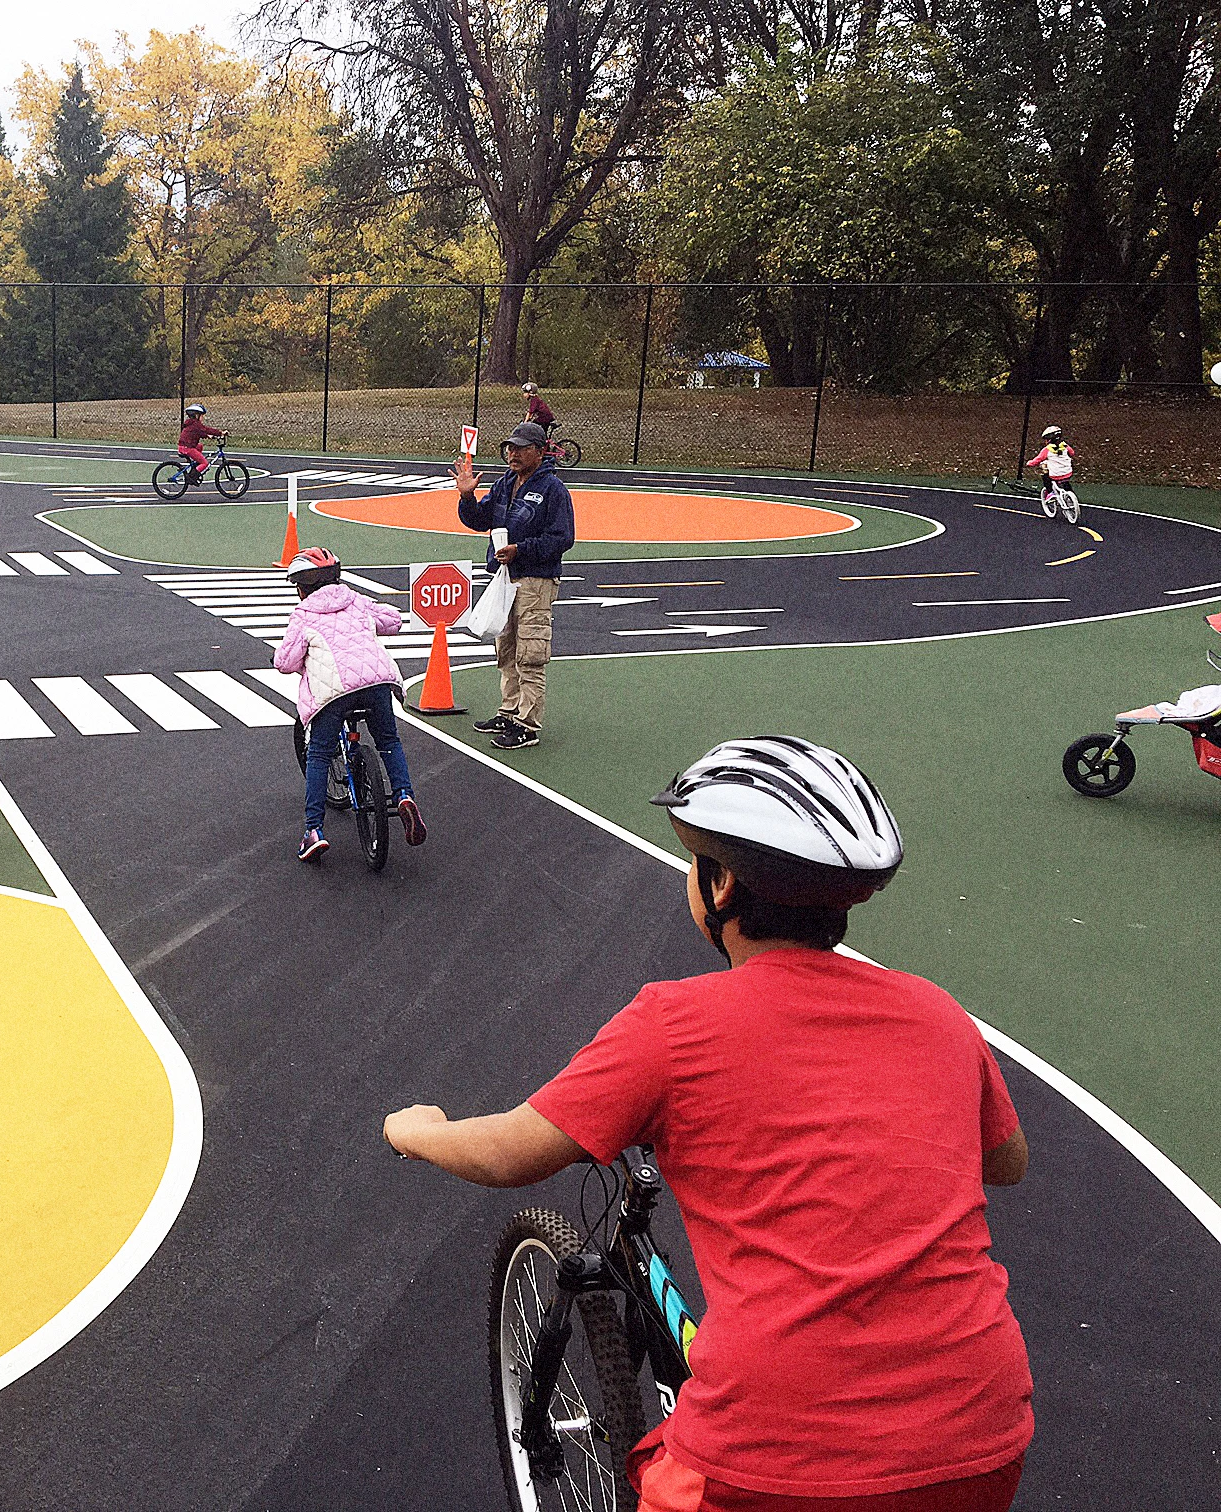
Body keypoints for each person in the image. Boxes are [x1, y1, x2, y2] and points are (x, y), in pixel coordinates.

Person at [384, 737, 1033, 1512]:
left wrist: (416, 1131)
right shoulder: (937, 1014)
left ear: (720, 885)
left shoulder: (673, 1023)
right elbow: (1005, 1161)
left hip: (776, 1456)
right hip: (981, 1429)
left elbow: (509, 1153)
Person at [274, 546, 427, 862]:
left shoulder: (303, 615)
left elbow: (287, 662)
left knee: (318, 754)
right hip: (376, 683)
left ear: (301, 588)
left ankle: (314, 831)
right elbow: (393, 620)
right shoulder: (356, 600)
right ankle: (403, 796)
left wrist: (281, 658)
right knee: (388, 741)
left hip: (335, 692)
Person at [453, 420, 575, 751]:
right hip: (504, 578)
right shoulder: (507, 483)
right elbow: (479, 520)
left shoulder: (553, 490)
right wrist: (467, 497)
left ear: (539, 452)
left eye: (521, 448)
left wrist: (521, 550)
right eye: (510, 448)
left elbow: (563, 538)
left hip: (535, 578)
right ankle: (509, 711)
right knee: (506, 648)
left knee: (531, 653)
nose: (513, 454)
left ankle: (528, 724)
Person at [1024, 425, 1076, 504]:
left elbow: (1038, 460)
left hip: (1055, 475)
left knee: (1045, 477)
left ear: (1049, 440)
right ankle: (1070, 495)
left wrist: (1030, 463)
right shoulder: (1065, 446)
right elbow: (1072, 453)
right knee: (1065, 481)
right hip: (1068, 472)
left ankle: (1051, 493)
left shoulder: (1047, 450)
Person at [178, 402, 224, 481]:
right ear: (196, 415)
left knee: (200, 446)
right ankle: (191, 477)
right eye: (202, 415)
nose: (203, 417)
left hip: (185, 446)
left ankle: (195, 465)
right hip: (187, 448)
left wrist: (207, 435)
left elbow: (199, 432)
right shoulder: (196, 424)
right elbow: (206, 429)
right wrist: (220, 432)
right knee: (205, 463)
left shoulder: (192, 424)